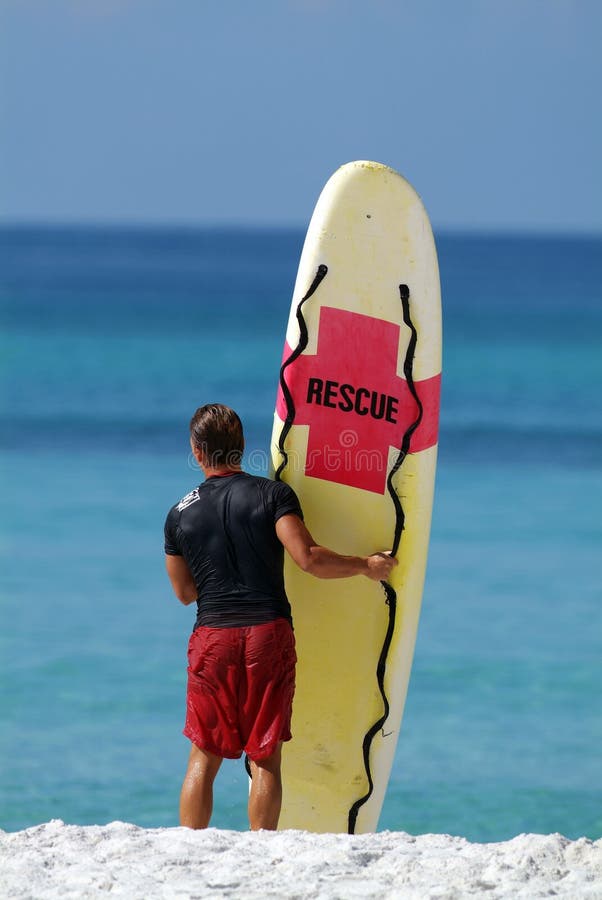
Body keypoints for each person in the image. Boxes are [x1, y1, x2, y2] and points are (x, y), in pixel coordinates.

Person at [164, 403, 397, 831]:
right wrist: (366, 566)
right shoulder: (272, 495)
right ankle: (260, 846)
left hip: (213, 637)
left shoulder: (179, 514)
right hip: (266, 634)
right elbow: (308, 558)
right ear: (241, 445)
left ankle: (188, 846)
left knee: (204, 753)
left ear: (197, 452)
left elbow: (184, 593)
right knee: (265, 753)